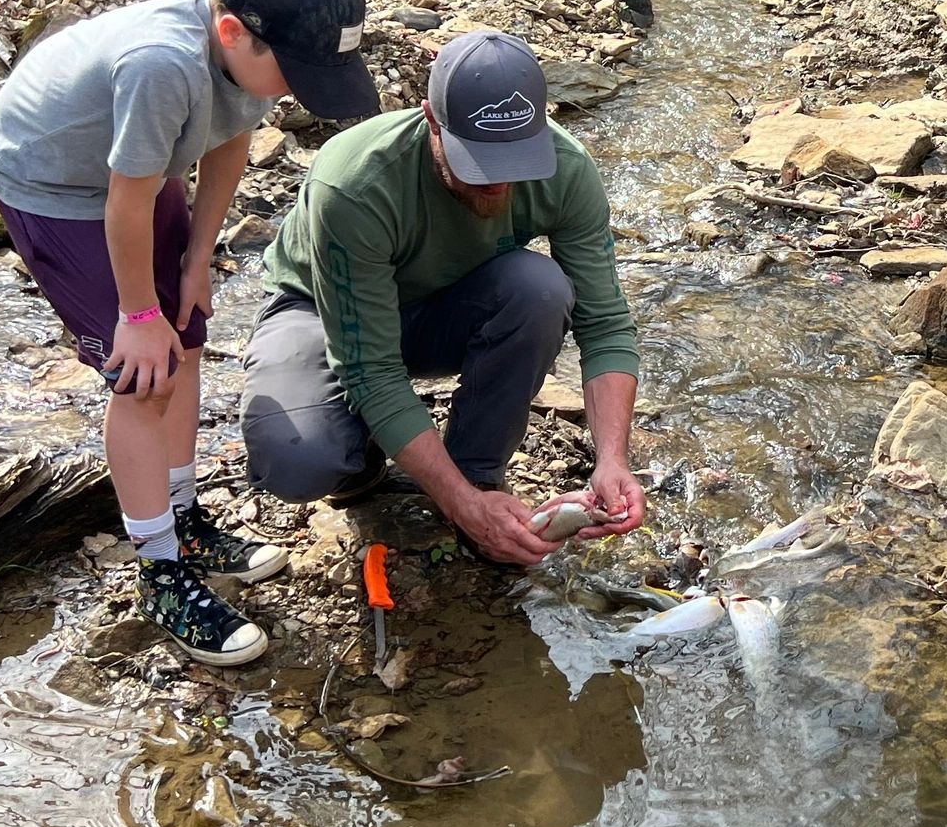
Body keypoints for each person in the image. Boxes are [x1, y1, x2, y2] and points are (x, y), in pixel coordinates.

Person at [0, 0, 382, 667]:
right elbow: (126, 202)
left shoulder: (247, 56)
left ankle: (184, 519)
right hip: (55, 180)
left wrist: (198, 259)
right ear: (232, 33)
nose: (297, 88)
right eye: (294, 71)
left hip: (134, 168)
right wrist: (136, 316)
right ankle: (160, 570)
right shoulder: (163, 65)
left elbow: (229, 138)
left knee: (186, 335)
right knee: (144, 376)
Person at [239, 29, 647, 565]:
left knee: (541, 289)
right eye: (479, 164)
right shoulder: (355, 183)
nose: (497, 185)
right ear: (432, 119)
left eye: (515, 164)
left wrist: (612, 460)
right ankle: (368, 456)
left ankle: (477, 475)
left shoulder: (566, 169)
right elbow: (370, 367)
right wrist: (458, 505)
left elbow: (606, 325)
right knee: (301, 463)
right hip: (320, 310)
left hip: (443, 307)